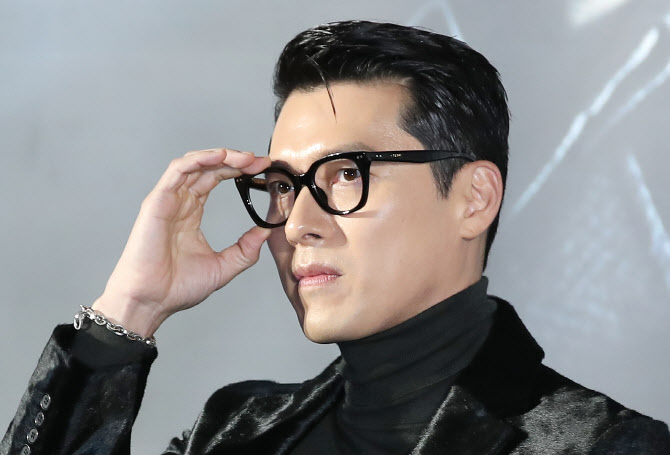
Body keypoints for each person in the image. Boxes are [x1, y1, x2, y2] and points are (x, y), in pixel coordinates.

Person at [2, 20, 669, 455]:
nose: (297, 223)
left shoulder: (601, 444)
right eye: (283, 185)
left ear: (474, 199)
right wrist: (128, 312)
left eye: (347, 173)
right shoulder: (234, 432)